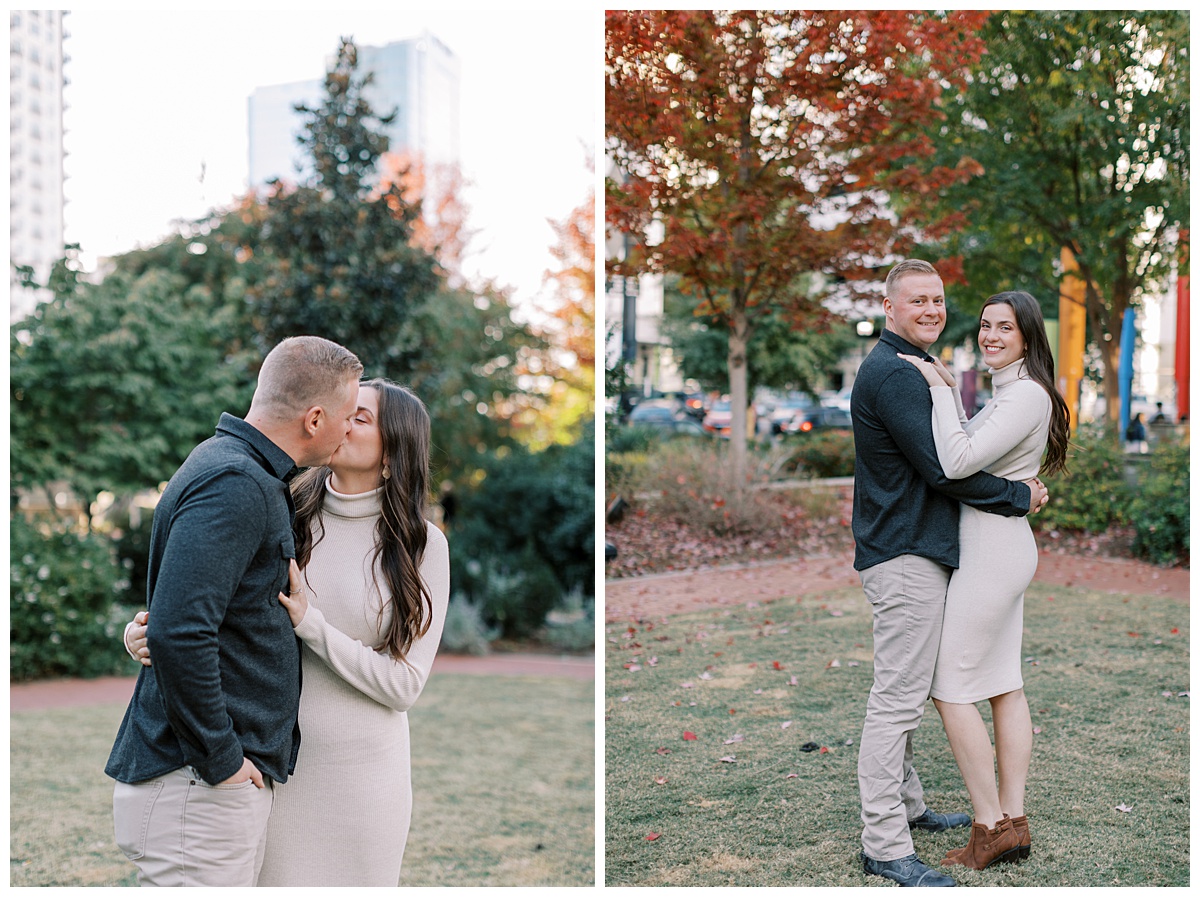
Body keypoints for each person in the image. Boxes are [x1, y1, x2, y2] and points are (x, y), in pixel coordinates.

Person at [125, 378, 449, 887]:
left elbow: (404, 685)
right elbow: (207, 609)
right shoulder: (284, 505)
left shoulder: (421, 545)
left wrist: (310, 625)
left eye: (360, 417)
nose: (342, 421)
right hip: (273, 764)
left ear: (393, 453)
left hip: (364, 777)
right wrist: (145, 632)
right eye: (345, 409)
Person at [105, 336, 363, 887]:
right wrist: (222, 761)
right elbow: (178, 632)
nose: (349, 429)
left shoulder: (238, 470)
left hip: (197, 788)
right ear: (315, 419)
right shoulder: (236, 481)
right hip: (195, 787)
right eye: (347, 415)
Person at [851, 260, 1048, 888]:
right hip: (905, 553)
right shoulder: (897, 373)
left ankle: (910, 808)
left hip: (923, 550)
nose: (932, 310)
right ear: (889, 307)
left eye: (938, 300)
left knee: (910, 692)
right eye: (917, 301)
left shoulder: (912, 370)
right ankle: (885, 843)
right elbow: (945, 470)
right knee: (899, 700)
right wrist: (1020, 497)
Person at [899, 290, 1070, 871]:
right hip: (999, 545)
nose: (990, 336)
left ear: (1027, 337)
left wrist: (944, 391)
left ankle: (990, 823)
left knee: (950, 688)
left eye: (1005, 328)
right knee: (1003, 684)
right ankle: (1014, 824)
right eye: (985, 326)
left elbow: (955, 460)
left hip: (993, 551)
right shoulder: (1015, 392)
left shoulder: (1023, 395)